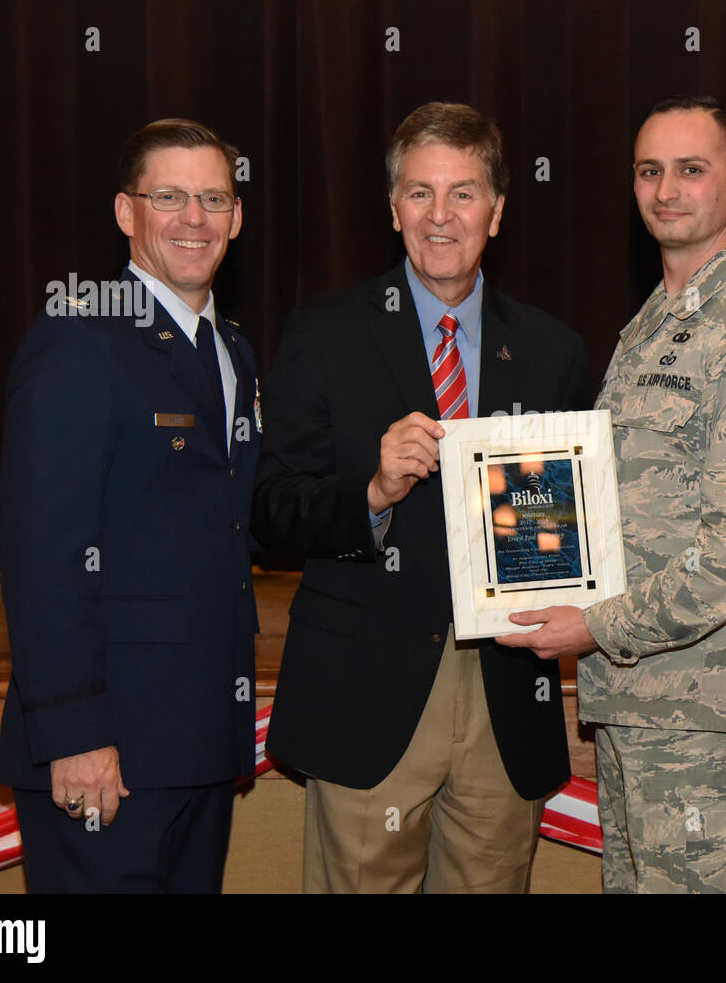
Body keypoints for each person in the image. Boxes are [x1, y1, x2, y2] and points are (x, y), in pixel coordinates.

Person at [252, 102, 590, 893]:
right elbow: (270, 509)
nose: (441, 216)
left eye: (464, 193)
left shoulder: (553, 352)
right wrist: (370, 492)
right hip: (366, 695)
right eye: (420, 193)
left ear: (498, 211)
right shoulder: (324, 332)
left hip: (507, 695)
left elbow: (568, 528)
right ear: (392, 207)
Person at [499, 96, 726, 893]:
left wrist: (595, 623)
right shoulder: (658, 321)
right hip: (642, 701)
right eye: (650, 171)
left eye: (692, 169)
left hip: (707, 714)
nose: (666, 189)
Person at [0, 118, 259, 892]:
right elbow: (44, 549)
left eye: (214, 198)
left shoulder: (232, 352)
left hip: (201, 745)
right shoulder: (80, 333)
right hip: (106, 753)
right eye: (169, 196)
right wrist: (74, 733)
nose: (194, 219)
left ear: (237, 218)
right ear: (125, 211)